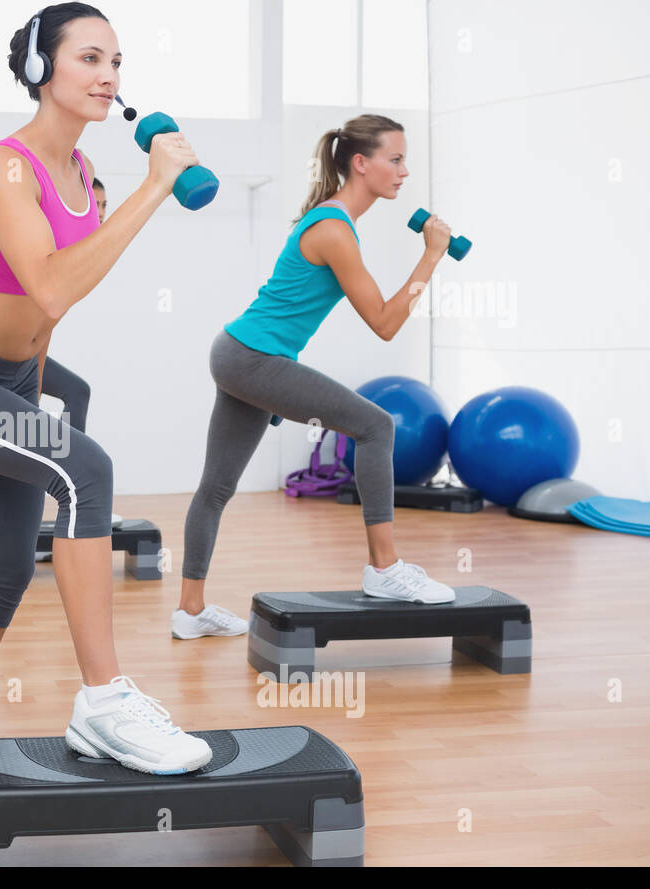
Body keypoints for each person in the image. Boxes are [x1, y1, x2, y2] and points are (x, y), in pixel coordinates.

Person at [0, 3, 212, 783]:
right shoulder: (6, 167)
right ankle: (104, 701)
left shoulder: (84, 176)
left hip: (10, 376)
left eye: (116, 63)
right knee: (87, 470)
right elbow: (49, 286)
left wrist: (35, 389)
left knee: (4, 573)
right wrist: (156, 187)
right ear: (42, 69)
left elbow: (45, 317)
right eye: (89, 59)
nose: (109, 77)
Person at [174, 114, 457, 642]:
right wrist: (432, 255)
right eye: (394, 160)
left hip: (241, 353)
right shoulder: (333, 231)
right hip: (253, 359)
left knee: (215, 488)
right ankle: (384, 569)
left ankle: (190, 611)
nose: (403, 172)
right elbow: (386, 324)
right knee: (376, 427)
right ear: (361, 164)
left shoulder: (332, 222)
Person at [37, 174, 117, 560]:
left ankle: (64, 485)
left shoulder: (79, 250)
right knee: (63, 399)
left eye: (104, 208)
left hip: (25, 350)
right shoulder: (49, 241)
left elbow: (44, 325)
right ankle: (60, 485)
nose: (100, 214)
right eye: (95, 207)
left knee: (75, 390)